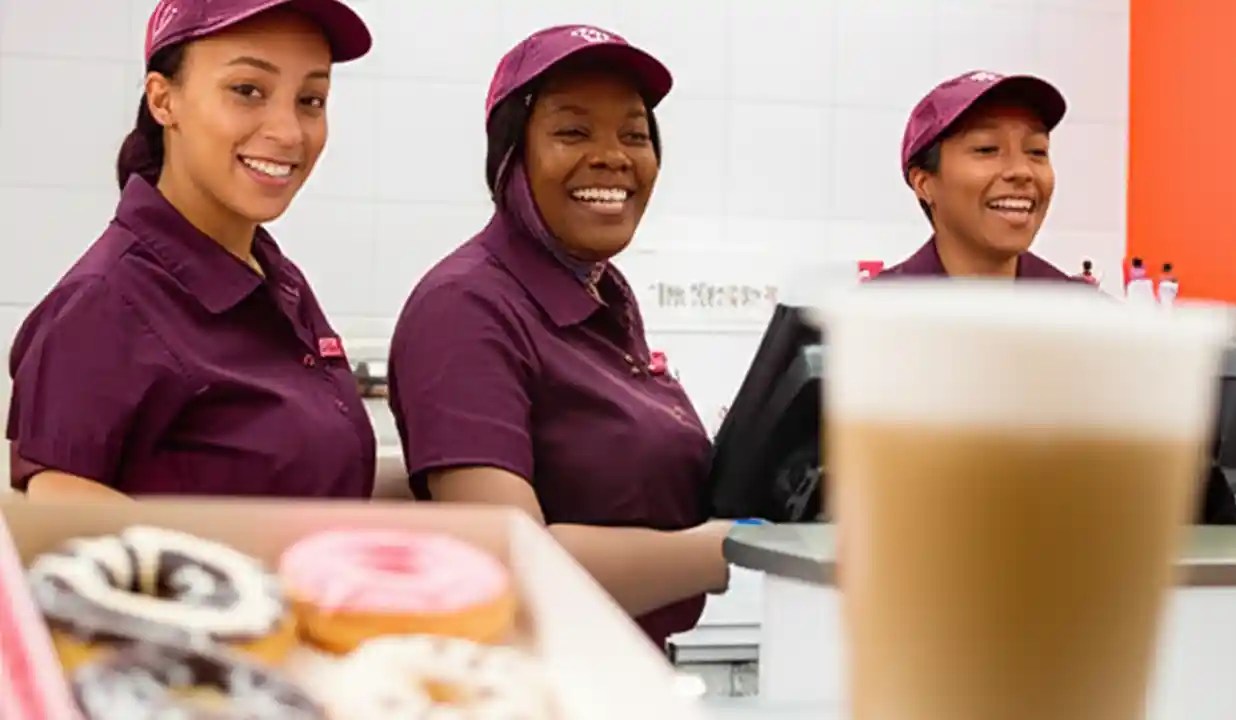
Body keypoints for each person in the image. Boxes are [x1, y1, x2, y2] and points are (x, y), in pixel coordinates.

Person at [388, 25, 730, 647]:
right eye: (573, 132)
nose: (614, 156)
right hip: (531, 684)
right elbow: (513, 562)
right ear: (511, 156)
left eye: (634, 134)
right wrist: (731, 550)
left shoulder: (606, 294)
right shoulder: (466, 305)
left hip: (628, 670)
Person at [7, 0, 376, 501]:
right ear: (163, 100)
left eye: (310, 99)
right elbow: (63, 529)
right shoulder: (104, 305)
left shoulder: (273, 277)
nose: (289, 132)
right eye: (247, 90)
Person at [881, 70, 1073, 280]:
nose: (1021, 171)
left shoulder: (1084, 309)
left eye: (1037, 151)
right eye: (987, 149)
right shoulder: (872, 309)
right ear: (923, 183)